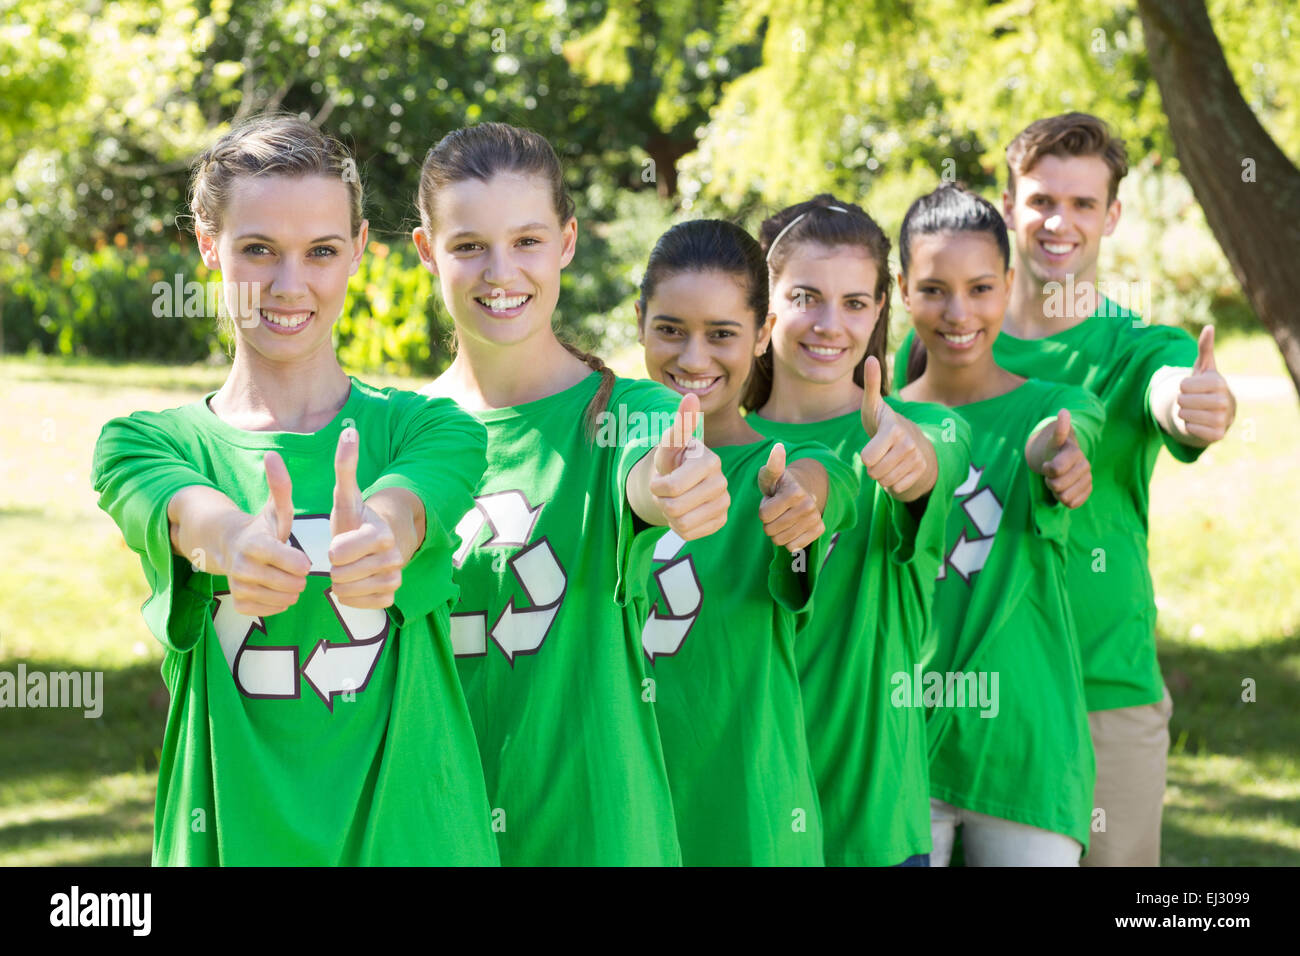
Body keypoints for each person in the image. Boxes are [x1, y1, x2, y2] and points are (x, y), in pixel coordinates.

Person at [91, 115, 499, 865]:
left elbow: (409, 507)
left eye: (320, 252)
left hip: (415, 841)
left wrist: (380, 531)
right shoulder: (146, 444)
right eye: (257, 251)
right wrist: (235, 543)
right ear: (208, 247)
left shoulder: (432, 429)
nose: (289, 285)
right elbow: (189, 515)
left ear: (358, 251)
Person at [412, 122, 731, 866]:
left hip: (598, 836)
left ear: (566, 242)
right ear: (428, 252)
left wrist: (676, 485)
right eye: (469, 246)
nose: (501, 273)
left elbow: (654, 474)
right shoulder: (399, 437)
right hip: (432, 833)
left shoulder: (634, 415)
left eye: (527, 241)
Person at [994, 113, 1234, 866]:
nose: (1059, 222)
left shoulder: (1139, 348)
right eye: (1040, 201)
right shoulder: (942, 340)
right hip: (978, 691)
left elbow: (1173, 391)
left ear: (1113, 215)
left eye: (1083, 204)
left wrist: (1195, 404)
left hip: (1106, 687)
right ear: (1009, 207)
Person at [746, 194, 973, 866]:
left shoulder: (923, 431)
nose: (828, 324)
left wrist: (906, 465)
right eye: (806, 297)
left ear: (880, 310)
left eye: (853, 302)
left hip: (868, 827)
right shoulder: (720, 444)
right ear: (767, 303)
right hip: (739, 817)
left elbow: (923, 464)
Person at [632, 219, 859, 865]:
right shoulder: (601, 458)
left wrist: (798, 502)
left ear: (762, 335)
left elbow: (821, 485)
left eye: (723, 335)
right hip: (617, 812)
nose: (694, 359)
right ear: (639, 318)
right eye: (671, 329)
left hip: (750, 822)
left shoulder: (786, 462)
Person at [894, 183, 1105, 865]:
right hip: (900, 749)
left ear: (1010, 284)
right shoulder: (879, 427)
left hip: (1024, 748)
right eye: (934, 289)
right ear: (901, 288)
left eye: (981, 288)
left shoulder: (1056, 404)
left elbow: (1064, 439)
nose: (959, 313)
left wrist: (1058, 457)